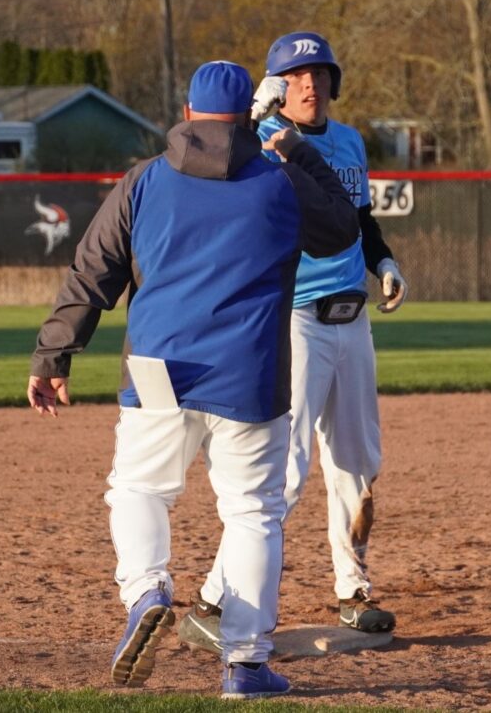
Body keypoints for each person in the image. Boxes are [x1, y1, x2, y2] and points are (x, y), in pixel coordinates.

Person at [27, 60, 359, 699]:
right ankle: (244, 663)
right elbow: (342, 229)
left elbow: (93, 270)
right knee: (253, 513)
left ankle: (147, 590)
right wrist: (301, 153)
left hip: (159, 367)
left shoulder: (145, 180)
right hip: (250, 374)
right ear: (248, 117)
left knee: (139, 489)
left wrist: (54, 355)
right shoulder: (280, 181)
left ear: (186, 112)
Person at [181, 32, 407, 653]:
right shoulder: (261, 142)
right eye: (296, 75)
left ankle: (352, 588)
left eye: (320, 73)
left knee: (358, 465)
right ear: (278, 89)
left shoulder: (350, 141)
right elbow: (218, 171)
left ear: (334, 80)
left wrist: (384, 261)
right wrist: (252, 121)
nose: (310, 84)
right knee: (283, 471)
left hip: (352, 319)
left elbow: (359, 218)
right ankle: (214, 598)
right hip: (297, 320)